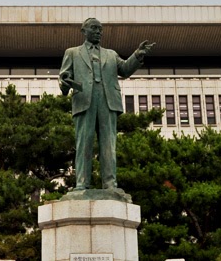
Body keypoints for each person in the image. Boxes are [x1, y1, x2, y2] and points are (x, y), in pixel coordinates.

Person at [59, 18, 154, 190]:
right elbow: (64, 77)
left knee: (109, 145)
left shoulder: (111, 54)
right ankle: (81, 184)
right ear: (84, 31)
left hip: (107, 101)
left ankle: (110, 184)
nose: (98, 32)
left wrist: (137, 55)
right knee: (84, 144)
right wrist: (65, 83)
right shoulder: (72, 52)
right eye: (94, 28)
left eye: (100, 29)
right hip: (84, 101)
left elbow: (124, 70)